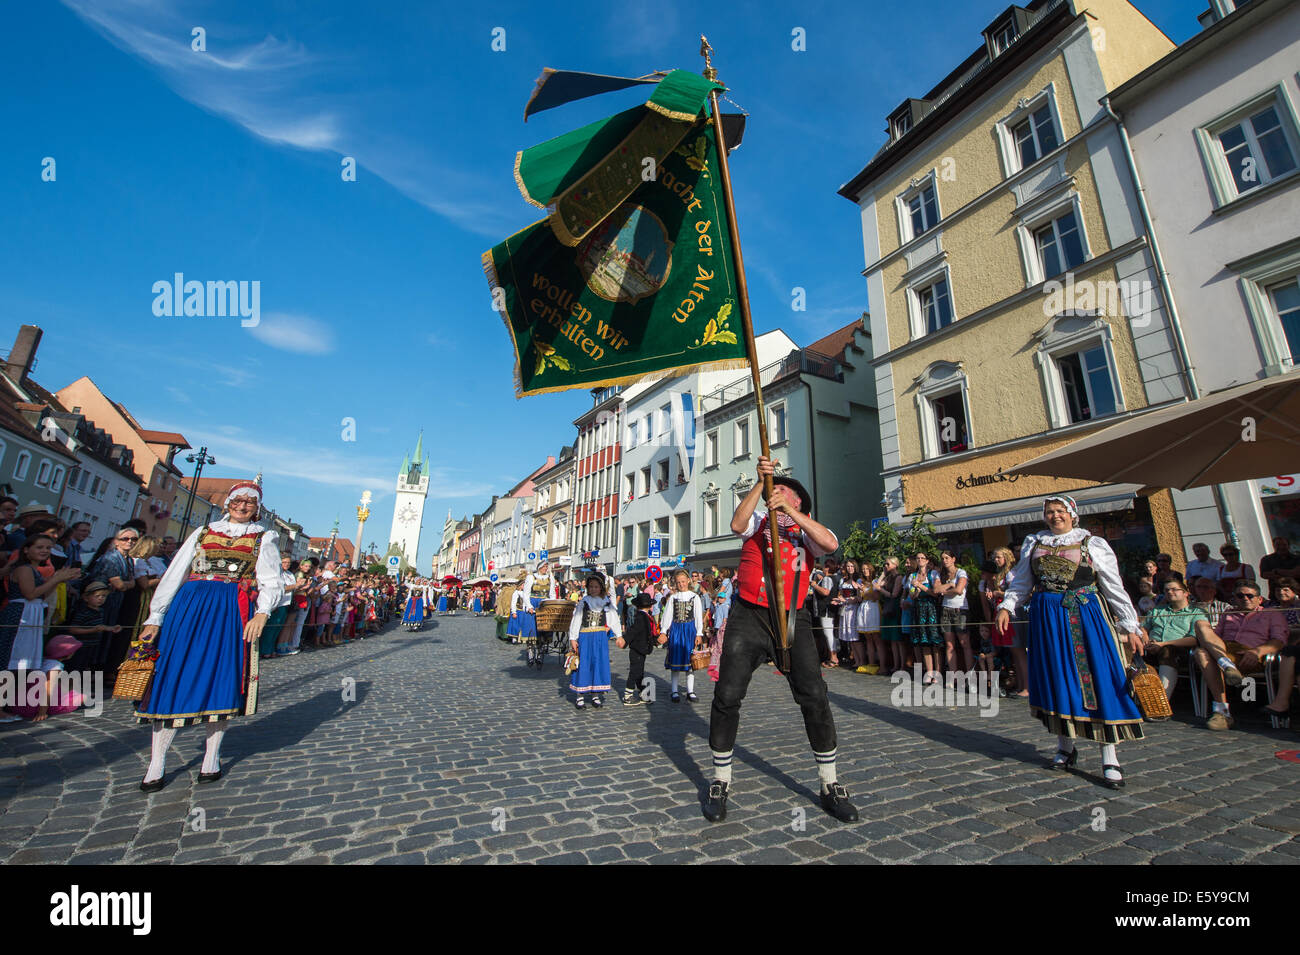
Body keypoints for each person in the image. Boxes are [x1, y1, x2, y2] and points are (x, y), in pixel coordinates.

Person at [703, 455, 857, 824]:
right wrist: (759, 484)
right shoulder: (757, 521)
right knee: (727, 694)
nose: (778, 489)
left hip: (793, 618)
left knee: (814, 695)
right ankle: (720, 781)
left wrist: (788, 507)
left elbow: (830, 544)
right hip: (749, 614)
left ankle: (829, 783)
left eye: (784, 488)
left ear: (798, 500)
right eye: (777, 486)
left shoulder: (805, 531)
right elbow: (736, 521)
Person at [131, 481, 284, 791]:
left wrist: (262, 612)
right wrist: (156, 617)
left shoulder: (263, 537)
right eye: (238, 501)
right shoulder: (203, 531)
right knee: (171, 676)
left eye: (249, 503)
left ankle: (211, 757)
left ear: (257, 509)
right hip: (189, 605)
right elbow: (176, 572)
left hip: (230, 608)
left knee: (221, 677)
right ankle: (156, 762)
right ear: (227, 502)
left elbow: (272, 580)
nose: (242, 506)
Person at [996, 495, 1144, 789]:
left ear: (1072, 514)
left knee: (1098, 678)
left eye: (1060, 511)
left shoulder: (1091, 543)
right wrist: (1007, 606)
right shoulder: (1035, 543)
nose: (1054, 516)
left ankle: (1109, 756)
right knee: (1057, 677)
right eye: (1049, 512)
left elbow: (1114, 586)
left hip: (1086, 615)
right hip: (1047, 617)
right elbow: (1023, 580)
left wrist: (1130, 624)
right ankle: (1065, 746)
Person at [0, 536, 83, 722]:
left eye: (48, 547)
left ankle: (6, 703)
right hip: (21, 616)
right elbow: (30, 594)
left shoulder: (35, 570)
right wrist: (56, 579)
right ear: (27, 550)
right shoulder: (23, 569)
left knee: (21, 665)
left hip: (32, 616)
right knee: (12, 661)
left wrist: (57, 580)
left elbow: (43, 595)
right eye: (39, 547)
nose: (44, 550)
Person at [1192, 580, 1287, 731]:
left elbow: (1279, 641)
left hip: (1250, 652)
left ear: (1259, 599)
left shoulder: (1272, 614)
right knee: (1200, 626)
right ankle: (1226, 671)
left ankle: (1221, 710)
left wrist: (1257, 652)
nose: (1245, 599)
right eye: (1240, 595)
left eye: (1250, 596)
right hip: (1225, 649)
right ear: (1234, 598)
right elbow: (1214, 638)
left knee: (1202, 653)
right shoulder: (1228, 613)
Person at [1137, 579, 1207, 700]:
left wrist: (1162, 644)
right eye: (1166, 590)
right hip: (1150, 647)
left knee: (1167, 650)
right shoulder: (1158, 610)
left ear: (1186, 593)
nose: (1169, 592)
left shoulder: (1196, 612)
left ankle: (1161, 701)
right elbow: (1143, 628)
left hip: (1179, 651)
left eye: (1174, 589)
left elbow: (1194, 639)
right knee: (1130, 647)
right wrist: (1145, 639)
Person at [567, 574, 622, 709]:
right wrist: (573, 638)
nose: (593, 589)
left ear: (601, 588)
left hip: (600, 637)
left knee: (598, 663)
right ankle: (580, 695)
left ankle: (595, 695)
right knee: (584, 663)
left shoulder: (606, 602)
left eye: (596, 587)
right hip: (585, 636)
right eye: (591, 586)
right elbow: (576, 620)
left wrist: (619, 635)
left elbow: (613, 619)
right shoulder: (583, 602)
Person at [661, 569, 705, 702]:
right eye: (679, 582)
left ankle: (690, 691)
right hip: (676, 630)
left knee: (690, 661)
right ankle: (674, 691)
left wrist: (699, 633)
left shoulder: (694, 597)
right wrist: (664, 631)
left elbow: (698, 616)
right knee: (675, 661)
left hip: (689, 630)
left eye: (683, 581)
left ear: (688, 581)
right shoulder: (673, 598)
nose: (681, 584)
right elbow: (667, 616)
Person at [619, 592, 659, 705]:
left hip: (641, 648)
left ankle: (643, 693)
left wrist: (654, 640)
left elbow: (648, 633)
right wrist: (625, 640)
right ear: (650, 606)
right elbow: (633, 631)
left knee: (639, 672)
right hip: (637, 649)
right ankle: (628, 695)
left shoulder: (644, 616)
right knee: (634, 672)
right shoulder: (641, 617)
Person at [1259, 538, 1300, 603]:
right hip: (1275, 596)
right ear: (1273, 546)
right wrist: (1289, 573)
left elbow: (1296, 573)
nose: (1281, 547)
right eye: (1278, 545)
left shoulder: (1297, 558)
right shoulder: (1267, 559)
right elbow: (1264, 574)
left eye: (1284, 545)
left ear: (1288, 546)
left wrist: (1277, 571)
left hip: (1297, 594)